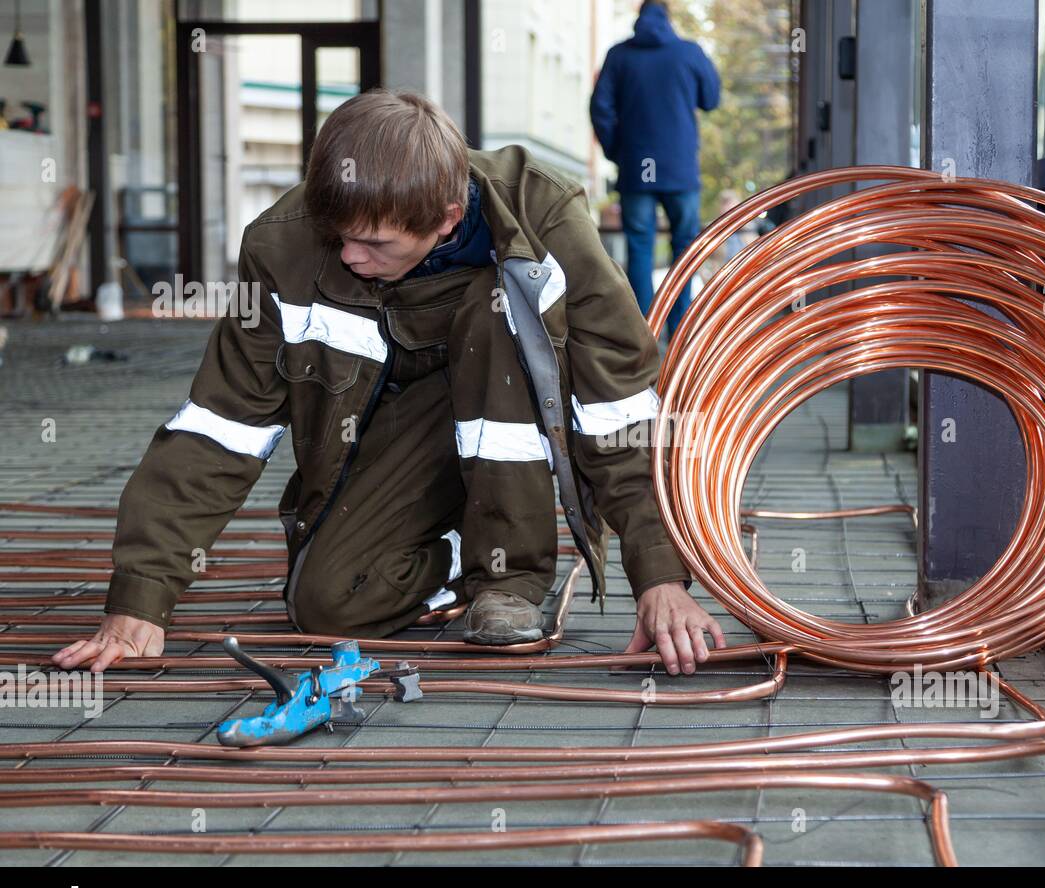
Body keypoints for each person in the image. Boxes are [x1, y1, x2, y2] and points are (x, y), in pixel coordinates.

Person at [54, 89, 724, 678]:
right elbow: (219, 428)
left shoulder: (542, 222)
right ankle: (461, 549)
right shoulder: (282, 250)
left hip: (508, 417)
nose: (348, 256)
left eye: (373, 244)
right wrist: (138, 601)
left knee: (497, 308)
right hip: (388, 448)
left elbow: (620, 409)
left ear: (445, 219)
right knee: (325, 603)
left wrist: (658, 575)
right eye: (338, 235)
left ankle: (511, 575)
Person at [589, 0, 720, 339]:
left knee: (640, 247)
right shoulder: (689, 53)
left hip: (638, 169)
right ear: (668, 17)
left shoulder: (619, 55)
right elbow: (711, 97)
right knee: (685, 249)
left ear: (639, 17)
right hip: (679, 169)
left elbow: (600, 108)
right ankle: (679, 332)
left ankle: (642, 335)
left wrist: (618, 151)